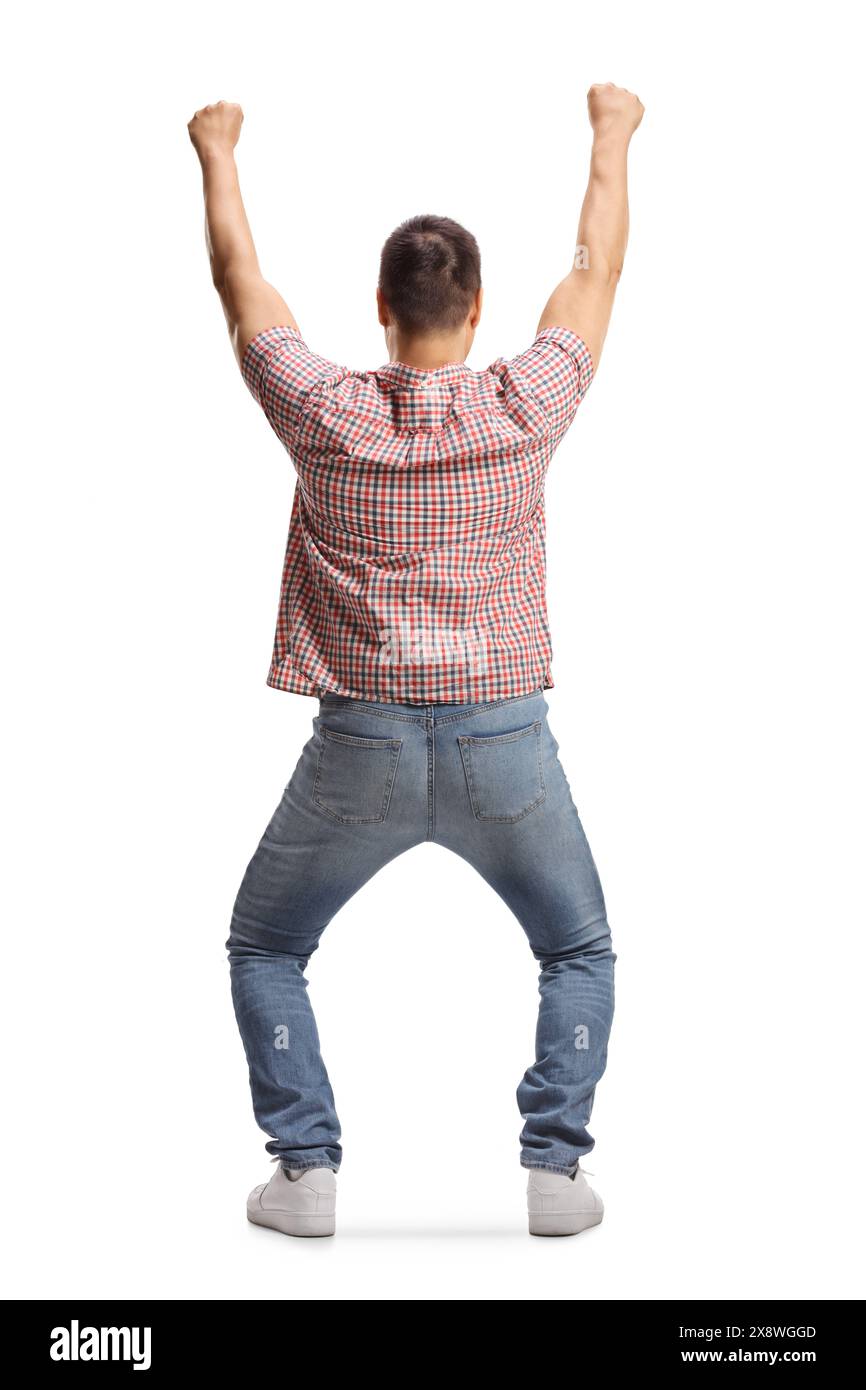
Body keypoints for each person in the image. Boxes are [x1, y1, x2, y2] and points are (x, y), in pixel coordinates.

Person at [188, 81, 644, 1238]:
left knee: (264, 945)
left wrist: (217, 151)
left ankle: (305, 1172)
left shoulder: (322, 409)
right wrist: (608, 132)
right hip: (507, 747)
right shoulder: (523, 404)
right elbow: (591, 274)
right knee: (577, 949)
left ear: (378, 309)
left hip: (360, 752)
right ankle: (554, 1169)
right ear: (477, 308)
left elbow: (241, 286)